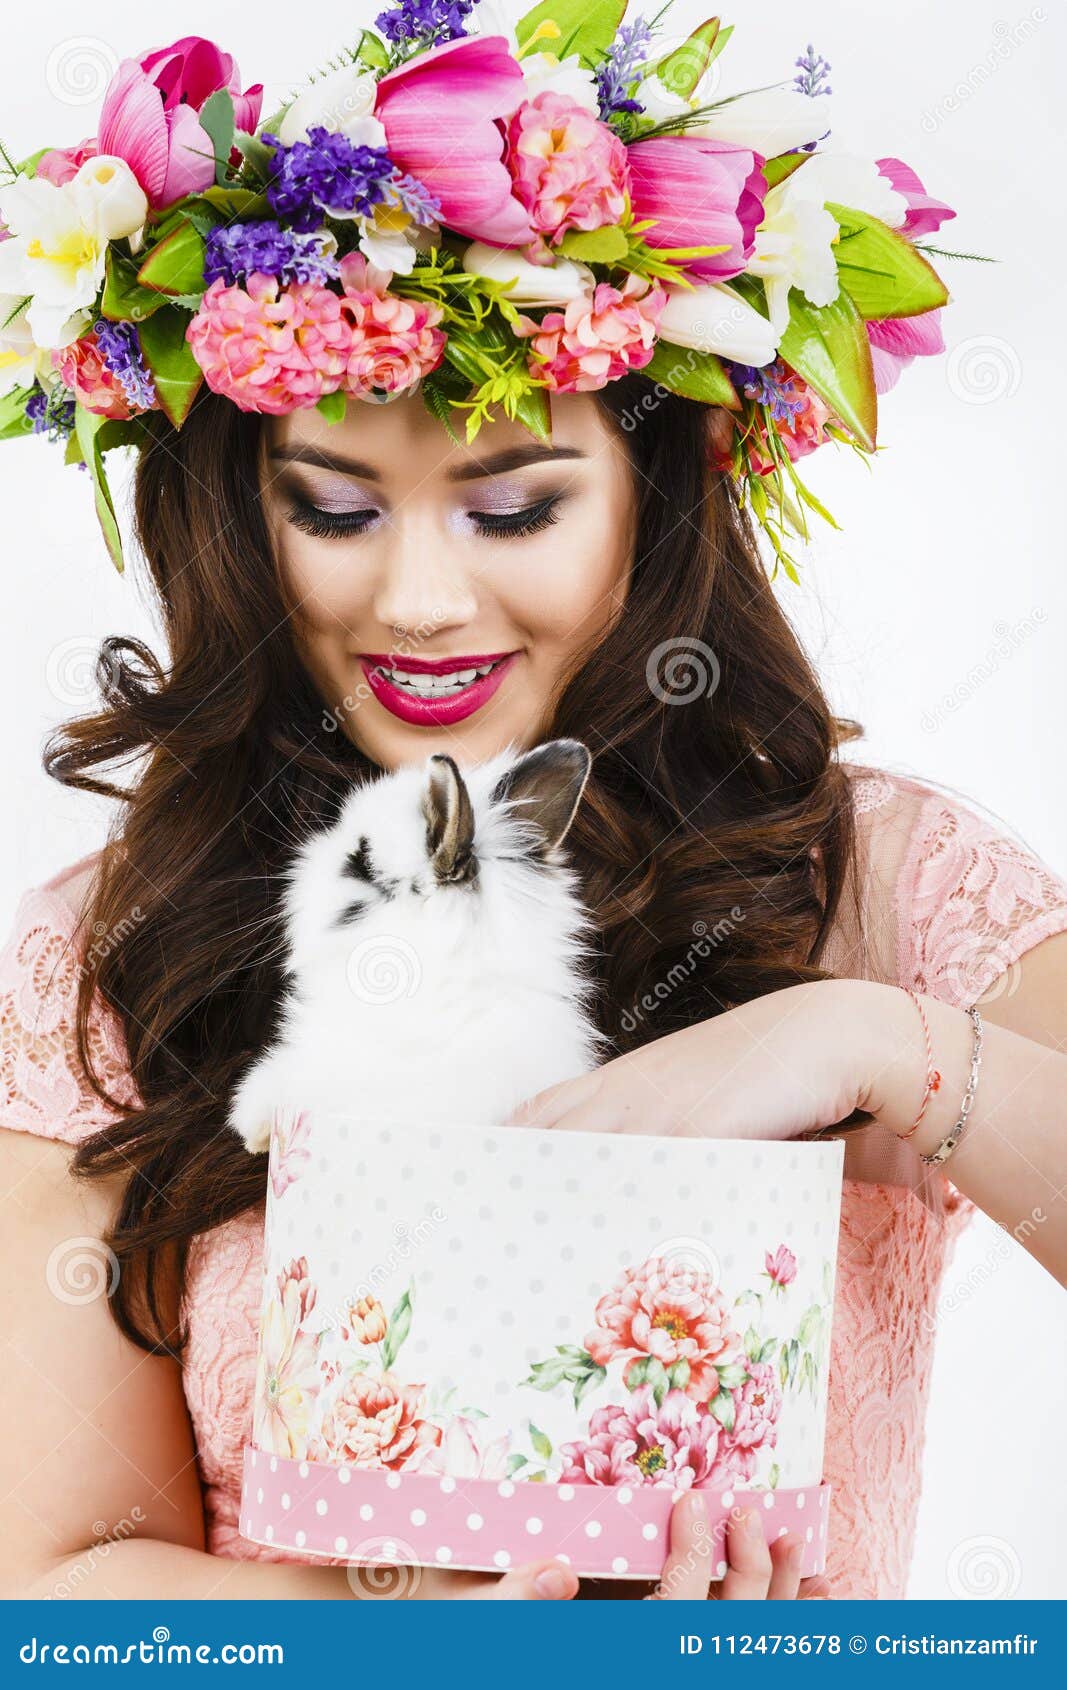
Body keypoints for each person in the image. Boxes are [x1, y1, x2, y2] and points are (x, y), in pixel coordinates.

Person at [1, 384, 1065, 1602]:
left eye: (511, 509)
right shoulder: (121, 942)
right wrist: (412, 1631)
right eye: (336, 511)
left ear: (663, 485)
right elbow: (51, 1591)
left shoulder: (881, 884)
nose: (420, 603)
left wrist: (881, 1042)